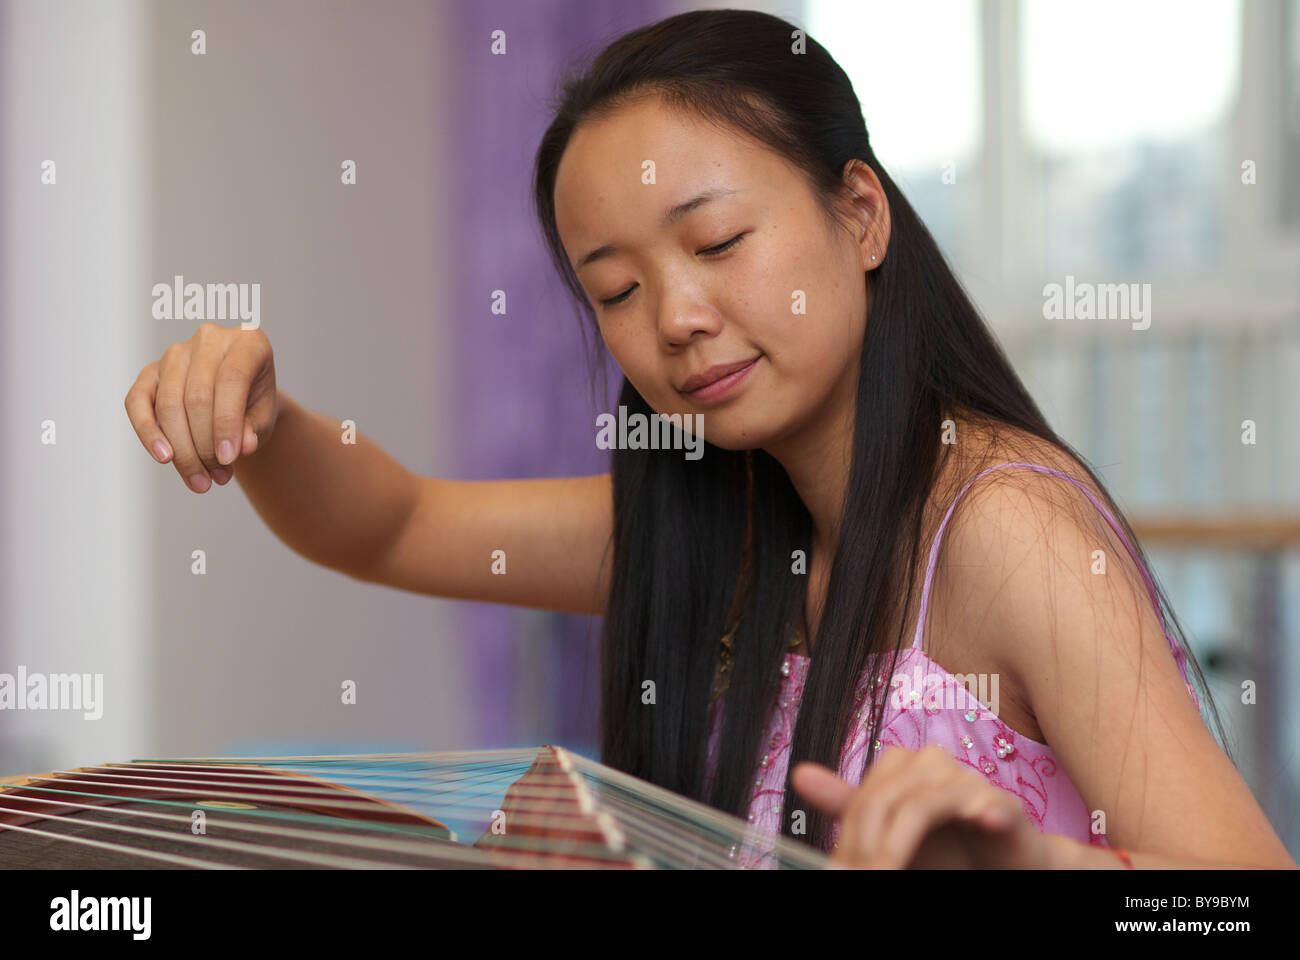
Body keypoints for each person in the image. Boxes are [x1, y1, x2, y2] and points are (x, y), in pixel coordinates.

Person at [124, 9, 1295, 869]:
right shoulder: (718, 518)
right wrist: (263, 422)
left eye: (720, 242)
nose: (676, 318)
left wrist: (1026, 870)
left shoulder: (1005, 533)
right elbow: (396, 522)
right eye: (618, 290)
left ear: (860, 213)